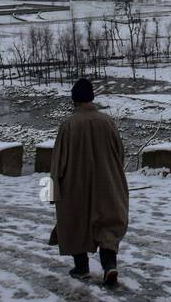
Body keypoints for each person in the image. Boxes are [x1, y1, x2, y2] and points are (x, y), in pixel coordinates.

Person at [48, 78, 129, 286]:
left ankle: (81, 267)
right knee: (108, 223)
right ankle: (109, 265)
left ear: (74, 100)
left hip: (75, 185)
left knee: (75, 222)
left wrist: (53, 192)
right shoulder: (107, 121)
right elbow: (119, 154)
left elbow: (57, 163)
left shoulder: (68, 125)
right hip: (107, 182)